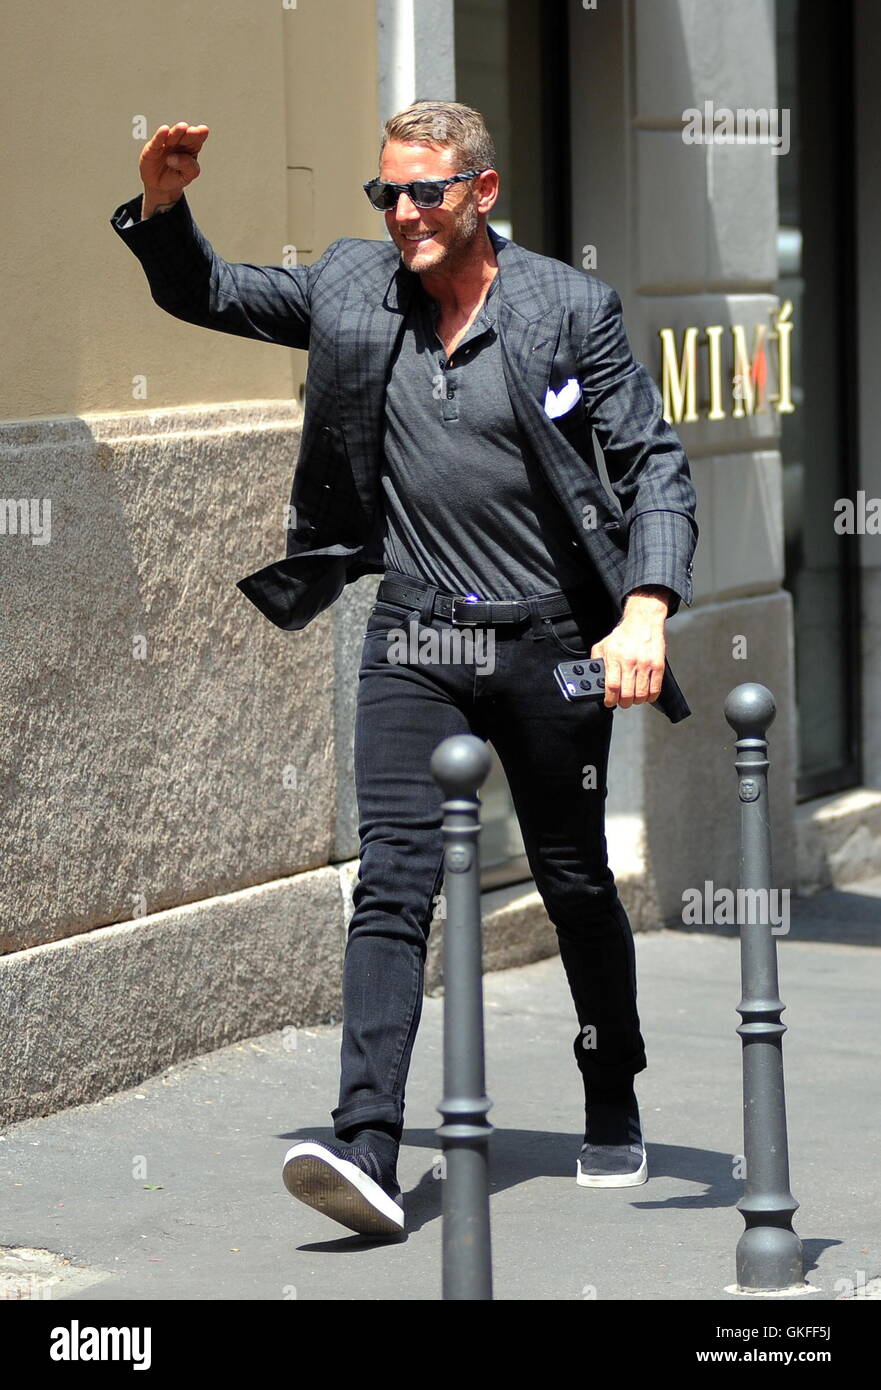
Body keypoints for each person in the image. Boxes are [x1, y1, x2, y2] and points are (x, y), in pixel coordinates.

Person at [111, 100, 698, 1241]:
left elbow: (655, 467)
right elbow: (211, 291)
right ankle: (367, 1143)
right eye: (385, 194)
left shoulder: (566, 310)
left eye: (424, 192)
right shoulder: (350, 287)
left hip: (553, 640)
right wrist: (167, 208)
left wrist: (642, 610)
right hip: (418, 633)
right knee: (392, 878)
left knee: (574, 881)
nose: (401, 215)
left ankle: (609, 1082)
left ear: (479, 192)